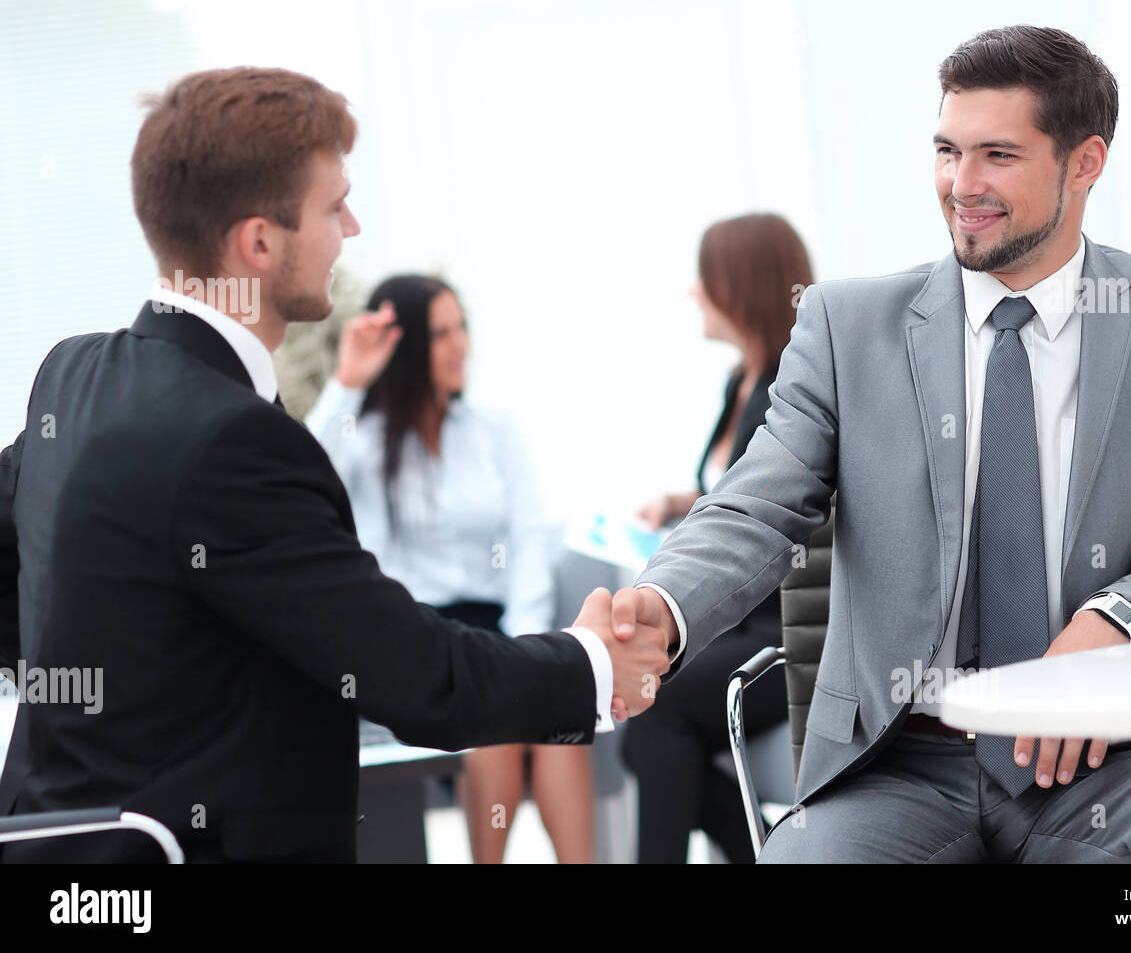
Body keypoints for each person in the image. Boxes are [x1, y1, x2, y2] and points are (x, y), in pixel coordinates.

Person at [605, 26, 1131, 862]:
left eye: (998, 154)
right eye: (946, 151)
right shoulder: (845, 325)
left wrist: (1114, 621)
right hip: (901, 762)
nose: (961, 185)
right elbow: (757, 503)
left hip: (1108, 753)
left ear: (1086, 163)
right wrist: (663, 603)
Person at [0, 66, 668, 863]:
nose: (350, 228)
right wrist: (593, 662)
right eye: (333, 205)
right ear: (258, 241)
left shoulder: (71, 375)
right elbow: (417, 675)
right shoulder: (230, 439)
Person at [305, 274, 594, 863]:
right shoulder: (366, 437)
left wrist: (524, 648)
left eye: (462, 328)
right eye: (441, 334)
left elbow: (528, 540)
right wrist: (347, 383)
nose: (460, 344)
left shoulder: (493, 429)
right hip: (415, 636)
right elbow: (305, 474)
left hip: (499, 625)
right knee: (493, 717)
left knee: (561, 719)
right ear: (408, 347)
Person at [623, 214, 809, 862]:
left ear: (739, 283)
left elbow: (788, 499)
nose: (693, 293)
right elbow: (747, 488)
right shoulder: (743, 381)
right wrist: (682, 502)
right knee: (643, 723)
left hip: (782, 630)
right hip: (737, 618)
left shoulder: (793, 386)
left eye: (705, 277)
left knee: (650, 714)